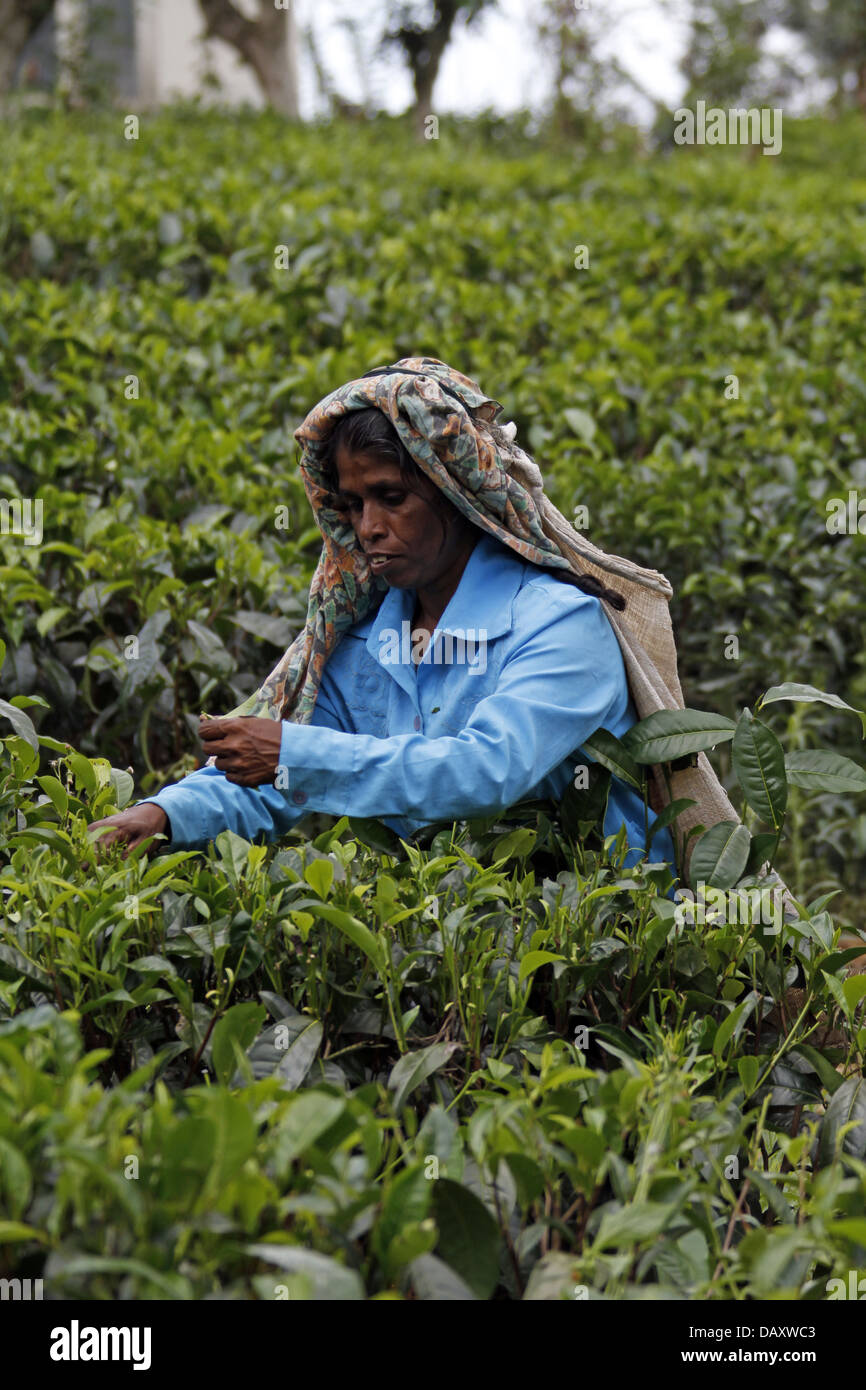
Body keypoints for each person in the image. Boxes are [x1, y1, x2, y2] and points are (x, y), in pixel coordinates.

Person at [89, 358, 676, 871]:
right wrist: (162, 813)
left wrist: (292, 753)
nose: (368, 527)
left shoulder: (559, 622)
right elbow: (272, 776)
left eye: (391, 498)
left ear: (455, 492)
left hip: (603, 942)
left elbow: (487, 769)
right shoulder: (372, 634)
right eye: (353, 504)